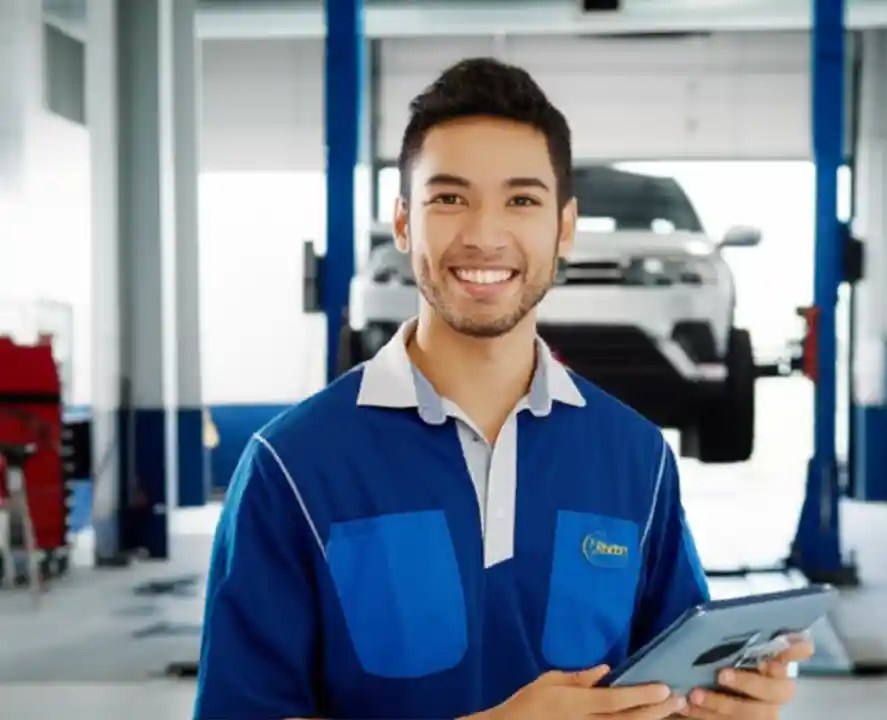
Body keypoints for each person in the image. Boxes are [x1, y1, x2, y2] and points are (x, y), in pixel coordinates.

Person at [193, 57, 814, 720]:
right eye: (449, 199)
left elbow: (662, 690)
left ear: (564, 228)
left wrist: (724, 709)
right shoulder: (292, 467)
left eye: (521, 200)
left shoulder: (636, 458)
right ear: (403, 223)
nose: (484, 236)